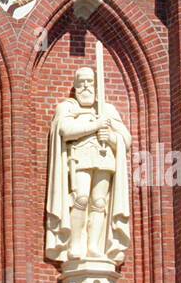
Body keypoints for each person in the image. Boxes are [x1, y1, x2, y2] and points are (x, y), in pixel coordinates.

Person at [45, 66, 130, 265]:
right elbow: (65, 130)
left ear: (96, 85)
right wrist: (95, 126)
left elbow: (125, 139)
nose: (86, 86)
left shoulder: (106, 110)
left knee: (99, 202)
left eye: (90, 82)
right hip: (80, 158)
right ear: (75, 86)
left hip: (104, 159)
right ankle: (76, 244)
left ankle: (93, 246)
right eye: (81, 82)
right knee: (80, 198)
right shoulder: (68, 107)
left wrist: (110, 137)